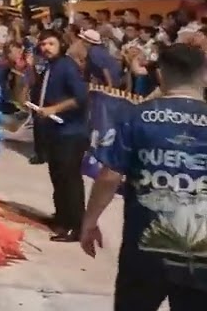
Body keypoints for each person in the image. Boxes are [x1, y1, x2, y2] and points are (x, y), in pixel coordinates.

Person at [81, 42, 207, 309]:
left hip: (144, 251)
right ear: (204, 74)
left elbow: (109, 176)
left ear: (160, 74)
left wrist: (89, 221)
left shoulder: (137, 117)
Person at [34, 29, 90, 241]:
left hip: (71, 132)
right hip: (54, 132)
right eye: (43, 44)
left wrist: (54, 109)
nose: (46, 48)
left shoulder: (67, 67)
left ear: (61, 45)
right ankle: (62, 217)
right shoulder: (49, 67)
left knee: (70, 179)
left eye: (50, 43)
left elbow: (81, 97)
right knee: (57, 175)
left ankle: (75, 226)